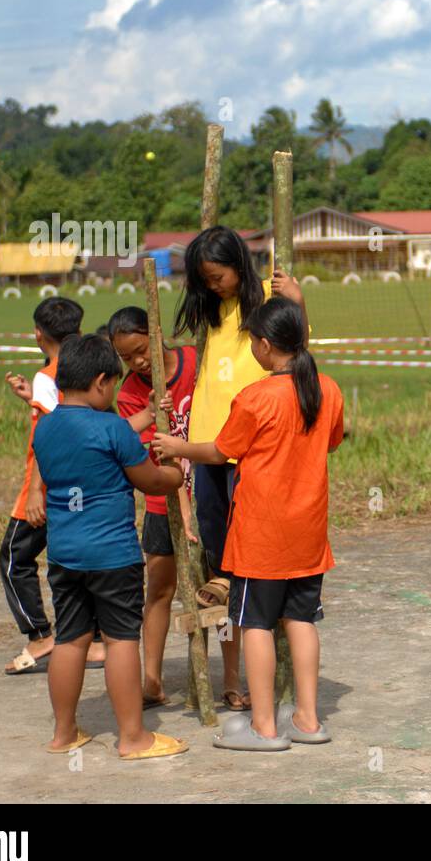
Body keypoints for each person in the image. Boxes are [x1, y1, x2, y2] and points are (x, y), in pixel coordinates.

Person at [154, 297, 343, 751]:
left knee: (255, 621)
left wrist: (177, 447)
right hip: (309, 529)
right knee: (301, 618)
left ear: (263, 345)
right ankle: (308, 718)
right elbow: (332, 442)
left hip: (261, 530)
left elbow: (221, 451)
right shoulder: (327, 389)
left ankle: (264, 726)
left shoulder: (256, 397)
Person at [32, 334, 188, 758]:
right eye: (114, 385)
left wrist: (144, 417)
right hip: (113, 556)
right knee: (121, 640)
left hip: (64, 555)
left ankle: (64, 734)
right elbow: (150, 479)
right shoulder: (112, 429)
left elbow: (102, 436)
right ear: (102, 382)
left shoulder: (45, 427)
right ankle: (133, 738)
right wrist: (175, 477)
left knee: (71, 639)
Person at [173, 226, 308, 711]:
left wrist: (299, 303)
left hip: (250, 441)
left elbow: (298, 352)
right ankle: (225, 586)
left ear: (240, 265)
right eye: (204, 279)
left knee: (245, 536)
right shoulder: (208, 312)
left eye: (219, 275)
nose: (214, 285)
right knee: (214, 532)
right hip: (208, 440)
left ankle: (236, 584)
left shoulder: (262, 306)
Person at [0, 296, 108, 675]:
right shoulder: (86, 368)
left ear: (38, 334)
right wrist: (33, 398)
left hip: (46, 487)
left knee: (13, 559)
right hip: (85, 482)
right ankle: (94, 640)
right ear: (78, 330)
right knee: (78, 560)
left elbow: (52, 430)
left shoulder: (50, 376)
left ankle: (39, 634)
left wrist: (33, 493)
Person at [108, 305, 198, 707]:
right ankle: (151, 680)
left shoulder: (196, 361)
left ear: (156, 333)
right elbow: (147, 460)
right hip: (164, 505)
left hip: (210, 497)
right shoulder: (130, 394)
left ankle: (230, 677)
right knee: (160, 589)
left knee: (218, 588)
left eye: (142, 350)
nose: (139, 362)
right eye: (127, 358)